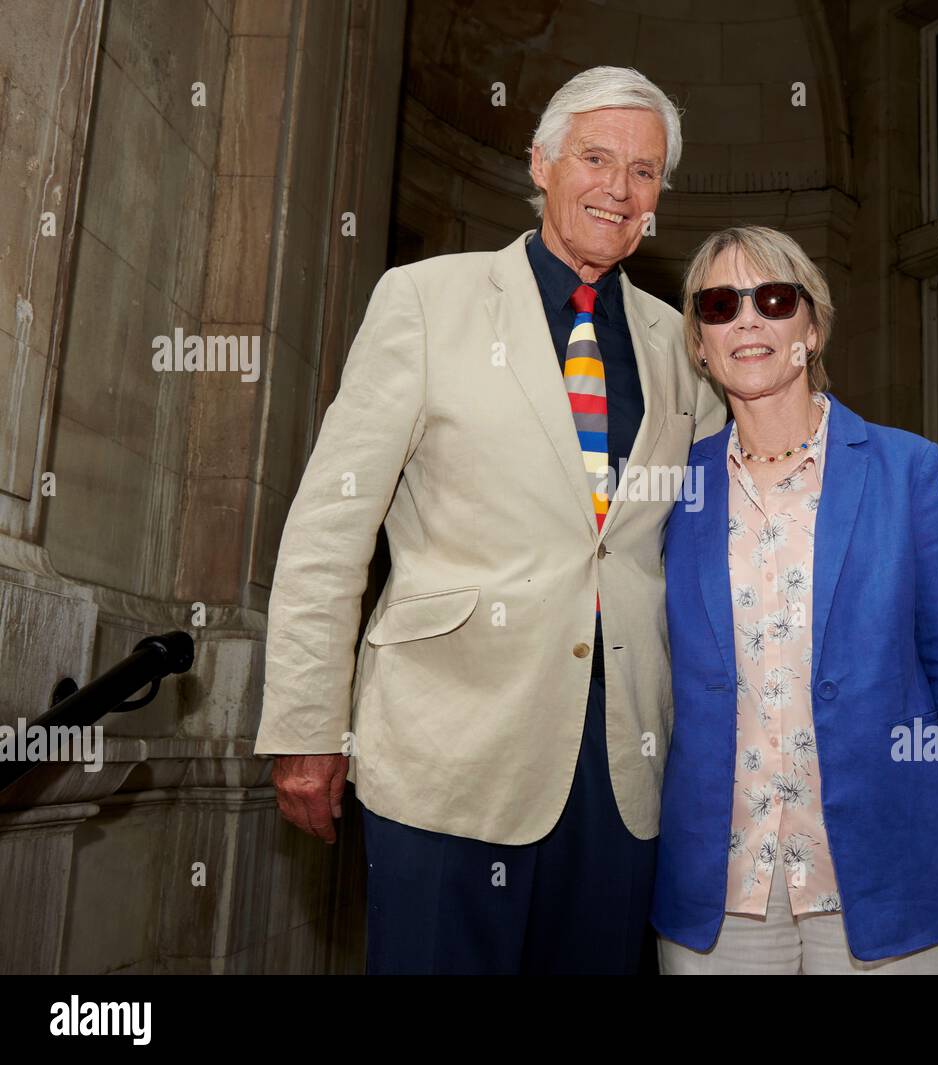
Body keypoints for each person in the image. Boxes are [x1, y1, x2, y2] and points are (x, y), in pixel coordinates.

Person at [254, 66, 726, 974]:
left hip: (623, 769)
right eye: (596, 158)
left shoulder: (681, 345)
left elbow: (714, 541)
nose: (620, 189)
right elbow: (329, 527)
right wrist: (307, 726)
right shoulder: (426, 300)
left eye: (645, 172)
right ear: (541, 162)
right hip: (449, 751)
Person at [651, 226, 938, 974]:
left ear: (812, 326)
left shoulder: (910, 469)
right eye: (722, 304)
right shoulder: (671, 487)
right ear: (700, 343)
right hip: (719, 888)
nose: (749, 320)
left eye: (775, 299)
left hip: (884, 875)